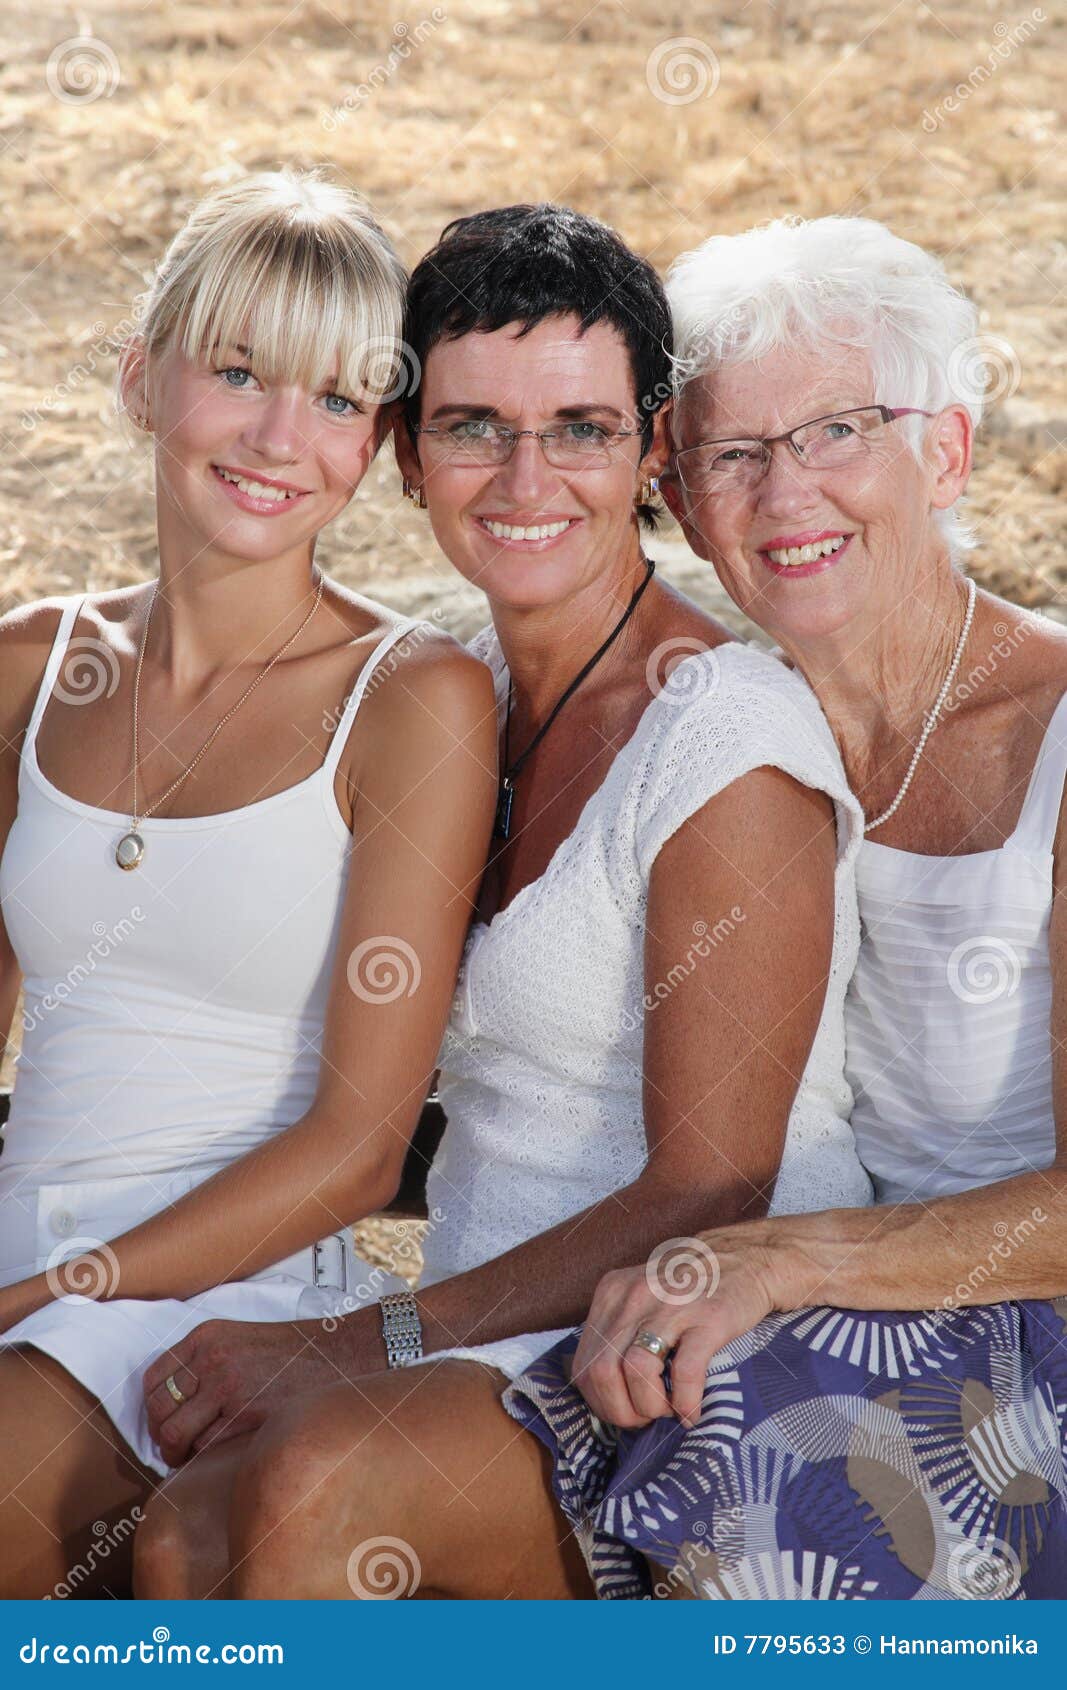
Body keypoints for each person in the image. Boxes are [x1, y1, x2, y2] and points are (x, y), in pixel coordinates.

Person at [131, 203, 873, 1601]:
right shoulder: (450, 695)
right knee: (174, 1531)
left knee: (314, 1485)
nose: (526, 475)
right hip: (471, 1329)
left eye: (581, 428)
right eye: (473, 426)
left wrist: (372, 1342)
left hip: (687, 1350)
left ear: (652, 449)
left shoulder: (727, 737)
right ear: (411, 457)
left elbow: (714, 1184)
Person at [503, 214, 1067, 1599]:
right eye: (732, 455)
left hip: (1015, 1337)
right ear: (682, 499)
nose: (783, 495)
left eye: (835, 433)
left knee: (742, 1455)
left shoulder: (1053, 728)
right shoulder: (727, 735)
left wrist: (773, 1258)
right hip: (811, 1320)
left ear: (946, 450)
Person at [0, 169, 498, 1597]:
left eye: (341, 401)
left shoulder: (411, 697)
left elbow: (355, 1144)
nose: (285, 438)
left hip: (215, 1302)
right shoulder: (31, 669)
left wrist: (41, 1299)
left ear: (373, 445)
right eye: (239, 373)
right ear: (143, 379)